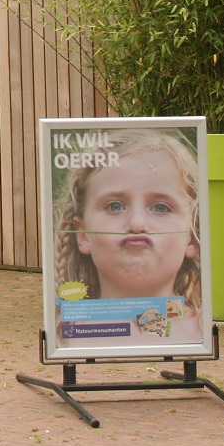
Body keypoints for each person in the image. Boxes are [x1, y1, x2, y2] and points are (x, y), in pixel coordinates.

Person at [54, 128, 202, 323]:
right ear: (82, 235)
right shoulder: (67, 339)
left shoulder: (199, 334)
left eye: (160, 207)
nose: (137, 224)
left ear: (191, 236)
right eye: (115, 206)